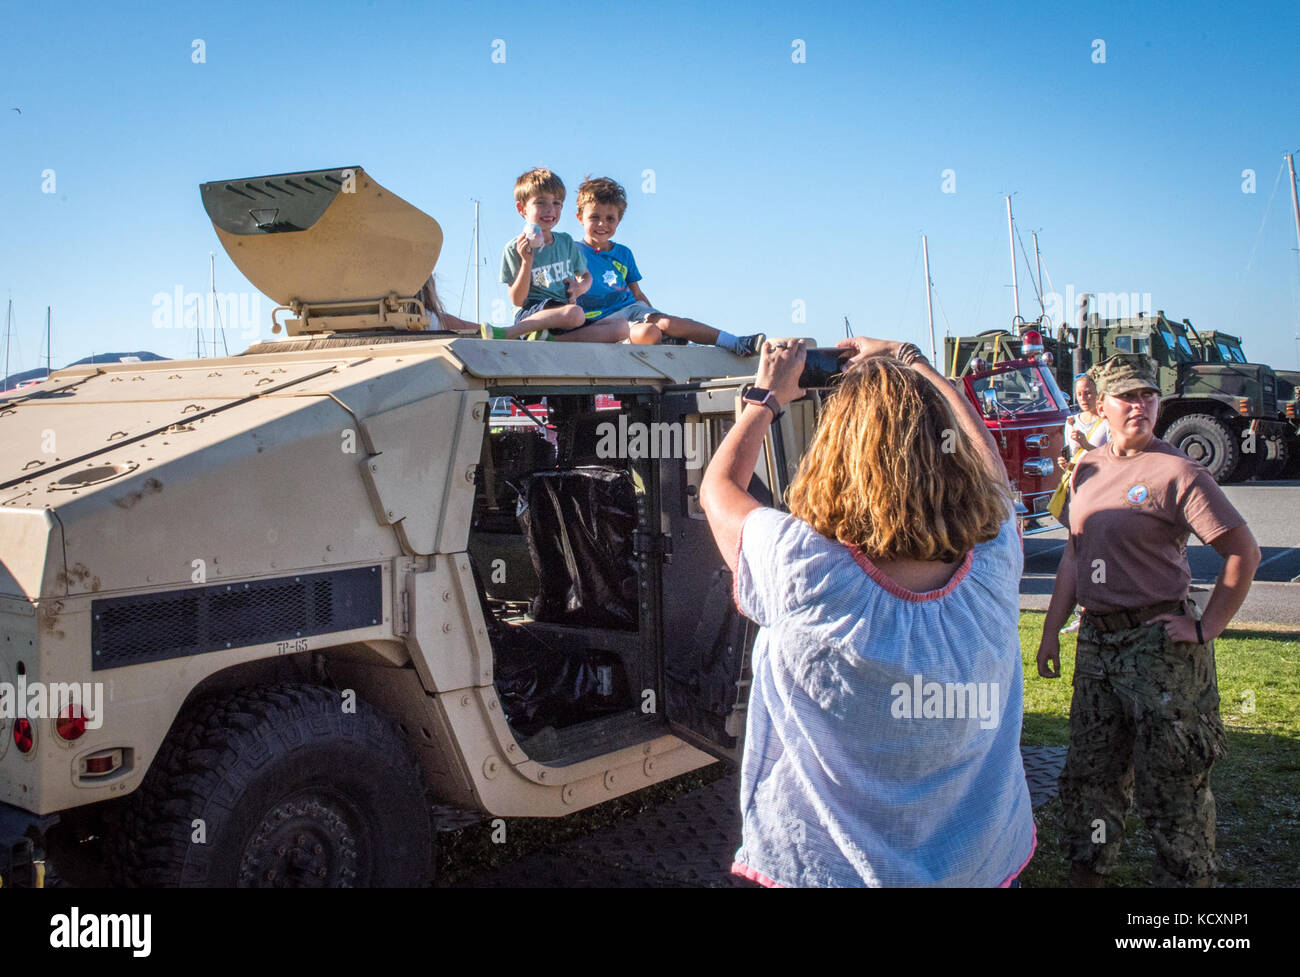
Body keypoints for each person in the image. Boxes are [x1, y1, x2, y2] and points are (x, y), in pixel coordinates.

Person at [699, 335, 1036, 887]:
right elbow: (991, 472)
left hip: (828, 873)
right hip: (978, 867)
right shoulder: (996, 560)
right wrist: (913, 360)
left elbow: (719, 489)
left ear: (835, 450)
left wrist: (766, 395)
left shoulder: (800, 563)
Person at [1036, 354, 1260, 888]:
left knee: (1173, 783)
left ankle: (1184, 892)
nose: (1138, 406)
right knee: (1092, 775)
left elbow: (1242, 551)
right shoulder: (1086, 466)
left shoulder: (1179, 471)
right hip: (1097, 644)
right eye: (1126, 397)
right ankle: (1088, 872)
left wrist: (1207, 627)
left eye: (1147, 395)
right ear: (1102, 405)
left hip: (1158, 648)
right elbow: (1073, 552)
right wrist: (1051, 630)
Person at [572, 176, 765, 356]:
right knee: (649, 333)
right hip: (603, 320)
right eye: (594, 217)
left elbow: (637, 293)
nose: (602, 224)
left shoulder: (623, 253)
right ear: (580, 217)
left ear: (619, 220)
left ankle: (736, 343)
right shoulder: (572, 250)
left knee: (669, 322)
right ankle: (660, 340)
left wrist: (658, 316)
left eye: (610, 219)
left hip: (632, 307)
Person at [492, 168, 628, 344]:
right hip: (534, 312)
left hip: (566, 317)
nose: (550, 210)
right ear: (521, 208)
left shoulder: (565, 242)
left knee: (622, 327)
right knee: (576, 313)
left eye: (556, 203)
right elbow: (518, 300)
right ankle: (511, 332)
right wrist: (527, 262)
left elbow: (586, 275)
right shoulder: (514, 248)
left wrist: (580, 288)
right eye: (540, 203)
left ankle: (552, 339)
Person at [1056, 373, 1110, 472]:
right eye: (1079, 394)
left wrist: (1086, 445)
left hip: (1100, 480)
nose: (1083, 398)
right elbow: (1071, 457)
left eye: (1087, 393)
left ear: (1098, 394)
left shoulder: (1108, 422)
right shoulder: (1071, 422)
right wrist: (1066, 465)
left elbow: (1113, 459)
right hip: (1077, 482)